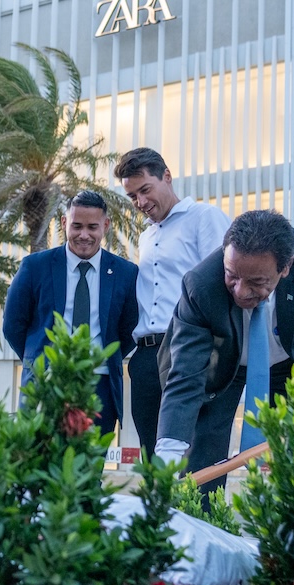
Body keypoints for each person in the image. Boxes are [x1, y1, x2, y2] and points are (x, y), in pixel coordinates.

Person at [156, 209, 294, 496]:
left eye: (256, 282)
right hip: (225, 366)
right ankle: (203, 524)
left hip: (292, 366)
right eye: (232, 275)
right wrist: (167, 454)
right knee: (201, 457)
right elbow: (186, 375)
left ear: (286, 267)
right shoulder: (200, 285)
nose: (240, 291)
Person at [114, 148, 230, 457]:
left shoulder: (205, 218)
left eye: (145, 190)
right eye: (132, 196)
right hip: (145, 358)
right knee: (154, 457)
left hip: (187, 350)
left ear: (167, 176)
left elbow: (223, 285)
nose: (140, 202)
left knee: (195, 454)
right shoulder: (146, 237)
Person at [3, 190, 139, 435]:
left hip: (101, 386)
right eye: (76, 226)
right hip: (47, 382)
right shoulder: (35, 266)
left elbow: (129, 330)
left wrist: (103, 358)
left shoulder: (125, 273)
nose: (83, 235)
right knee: (42, 463)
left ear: (105, 226)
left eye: (92, 227)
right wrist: (38, 362)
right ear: (64, 223)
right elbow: (13, 325)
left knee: (90, 465)